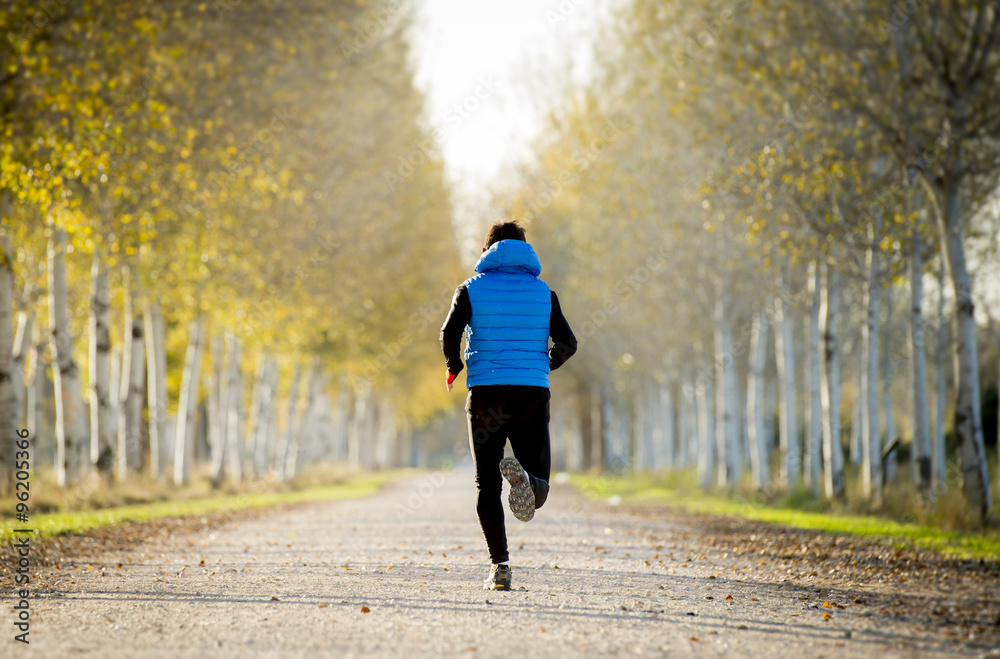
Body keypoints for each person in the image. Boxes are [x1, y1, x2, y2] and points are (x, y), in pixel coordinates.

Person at [440, 220, 577, 591]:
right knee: (541, 485)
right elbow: (568, 343)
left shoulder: (470, 289)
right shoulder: (544, 293)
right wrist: (542, 364)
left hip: (486, 393)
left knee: (487, 485)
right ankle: (530, 481)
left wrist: (455, 366)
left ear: (487, 251)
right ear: (525, 250)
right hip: (531, 394)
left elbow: (450, 332)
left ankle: (500, 567)